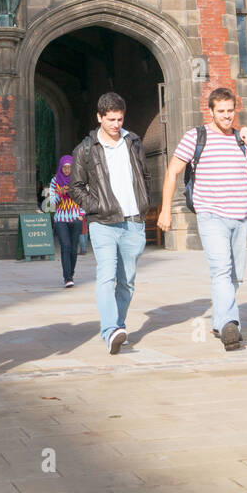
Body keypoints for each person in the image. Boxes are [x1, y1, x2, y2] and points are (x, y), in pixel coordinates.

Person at [157, 87, 247, 351]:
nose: (227, 116)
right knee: (221, 270)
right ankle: (231, 323)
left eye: (231, 111)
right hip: (211, 215)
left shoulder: (241, 141)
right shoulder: (196, 136)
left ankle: (219, 322)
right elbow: (172, 171)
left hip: (241, 217)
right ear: (211, 111)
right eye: (222, 112)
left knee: (235, 276)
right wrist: (165, 209)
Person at [68, 92, 150, 354]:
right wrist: (98, 207)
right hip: (103, 223)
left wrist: (144, 203)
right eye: (111, 119)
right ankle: (110, 330)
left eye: (120, 119)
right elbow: (76, 187)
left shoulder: (133, 142)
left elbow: (145, 176)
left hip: (133, 222)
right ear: (99, 117)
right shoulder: (85, 149)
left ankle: (118, 326)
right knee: (106, 276)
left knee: (127, 282)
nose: (116, 124)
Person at [48, 155, 84, 287]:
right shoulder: (54, 181)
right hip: (61, 218)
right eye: (65, 167)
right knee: (66, 246)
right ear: (61, 167)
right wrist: (61, 193)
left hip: (76, 218)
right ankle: (67, 277)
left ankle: (71, 273)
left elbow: (85, 199)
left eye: (70, 167)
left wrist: (81, 214)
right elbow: (51, 203)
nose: (67, 170)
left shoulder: (78, 181)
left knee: (74, 249)